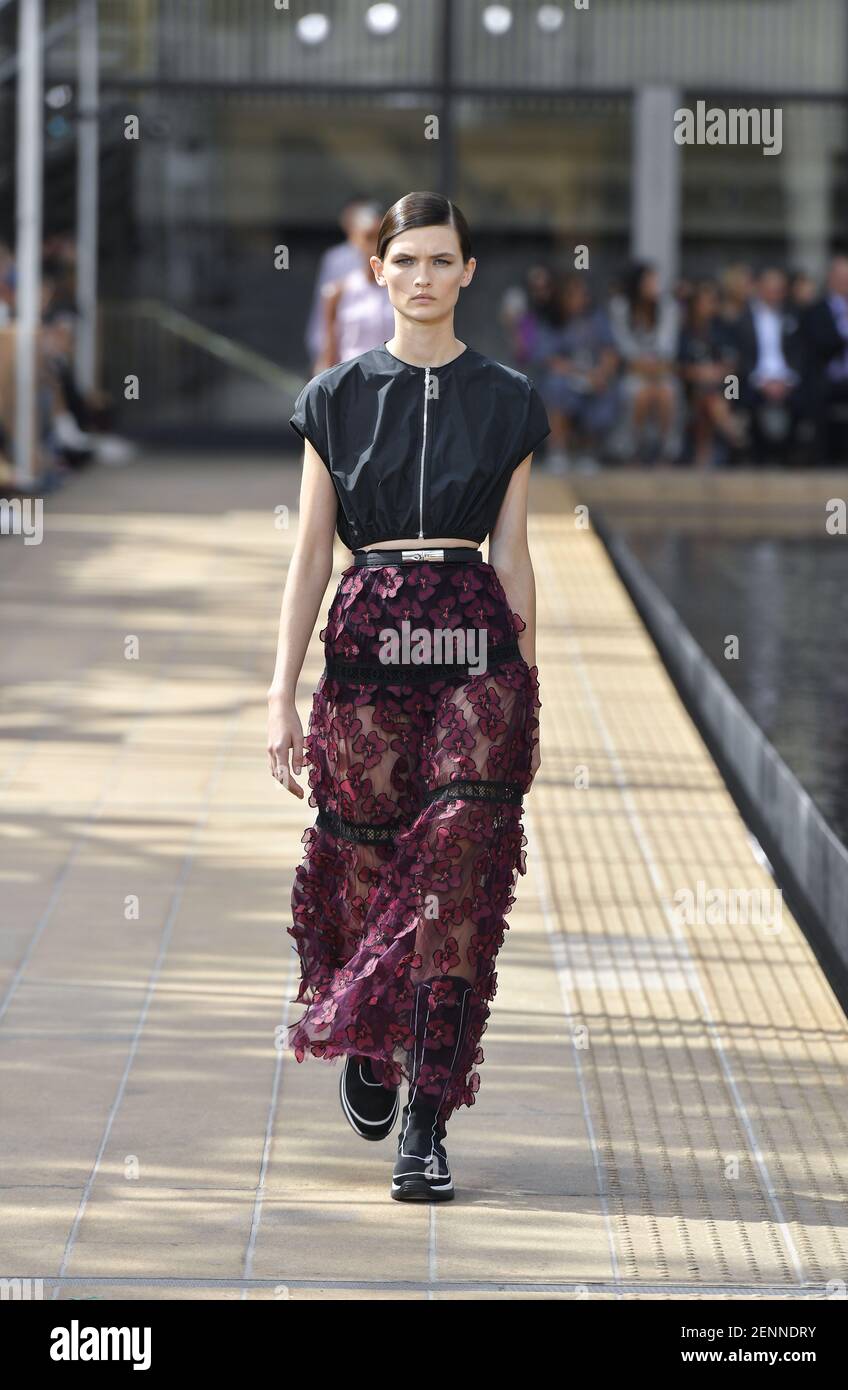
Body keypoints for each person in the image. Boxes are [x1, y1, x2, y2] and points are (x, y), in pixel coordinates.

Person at [270, 191, 549, 1203]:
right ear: (375, 271)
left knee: (461, 871)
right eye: (407, 261)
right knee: (362, 863)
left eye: (442, 260)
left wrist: (529, 681)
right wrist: (277, 694)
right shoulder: (333, 397)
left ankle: (426, 1121)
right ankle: (373, 1036)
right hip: (367, 641)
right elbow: (307, 555)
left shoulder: (511, 397)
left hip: (473, 640)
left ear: (467, 272)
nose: (424, 277)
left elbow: (514, 554)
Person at [526, 271, 620, 472]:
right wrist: (581, 374)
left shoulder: (597, 318)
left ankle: (588, 452)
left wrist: (601, 373)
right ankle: (558, 451)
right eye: (574, 294)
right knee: (555, 386)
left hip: (594, 377)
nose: (580, 299)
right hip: (565, 377)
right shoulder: (550, 318)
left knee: (605, 392)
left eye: (583, 294)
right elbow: (549, 358)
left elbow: (610, 350)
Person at [608, 260, 682, 464]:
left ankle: (666, 453)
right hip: (632, 372)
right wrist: (642, 367)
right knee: (639, 394)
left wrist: (655, 368)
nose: (655, 285)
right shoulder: (620, 307)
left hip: (661, 371)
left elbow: (667, 347)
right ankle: (631, 450)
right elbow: (624, 347)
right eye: (650, 281)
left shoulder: (668, 307)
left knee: (667, 393)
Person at [732, 265, 807, 464]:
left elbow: (801, 353)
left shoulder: (794, 315)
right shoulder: (743, 318)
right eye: (771, 288)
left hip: (787, 381)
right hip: (751, 380)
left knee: (809, 395)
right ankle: (750, 456)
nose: (776, 294)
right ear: (759, 288)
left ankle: (793, 457)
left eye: (780, 289)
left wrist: (788, 380)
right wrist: (760, 381)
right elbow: (739, 356)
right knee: (733, 390)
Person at [799, 253, 848, 465]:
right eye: (843, 277)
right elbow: (822, 346)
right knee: (817, 395)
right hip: (827, 377)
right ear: (831, 278)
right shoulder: (816, 310)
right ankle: (822, 462)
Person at [677, 279, 747, 469]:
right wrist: (699, 373)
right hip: (691, 388)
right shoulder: (685, 332)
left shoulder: (722, 328)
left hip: (726, 386)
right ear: (695, 304)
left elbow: (732, 362)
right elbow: (678, 366)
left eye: (713, 301)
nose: (710, 305)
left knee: (722, 391)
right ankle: (732, 429)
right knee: (708, 399)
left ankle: (704, 456)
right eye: (705, 301)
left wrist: (718, 372)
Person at [304, 195, 381, 368]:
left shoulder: (400, 287)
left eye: (379, 237)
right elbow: (323, 318)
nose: (374, 246)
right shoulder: (337, 272)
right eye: (369, 238)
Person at [313, 207, 394, 370]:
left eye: (382, 239)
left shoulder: (404, 290)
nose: (376, 246)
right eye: (369, 238)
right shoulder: (337, 293)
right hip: (352, 383)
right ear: (355, 241)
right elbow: (328, 354)